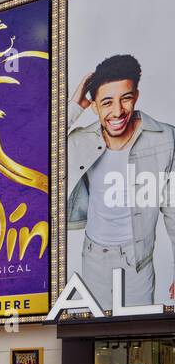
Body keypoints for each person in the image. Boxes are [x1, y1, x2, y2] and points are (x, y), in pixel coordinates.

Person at [69, 54, 175, 308]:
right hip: (93, 257)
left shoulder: (165, 139)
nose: (117, 112)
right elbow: (35, 148)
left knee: (137, 338)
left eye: (125, 98)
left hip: (137, 260)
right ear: (94, 105)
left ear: (136, 96)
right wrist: (74, 106)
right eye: (106, 102)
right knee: (93, 336)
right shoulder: (79, 140)